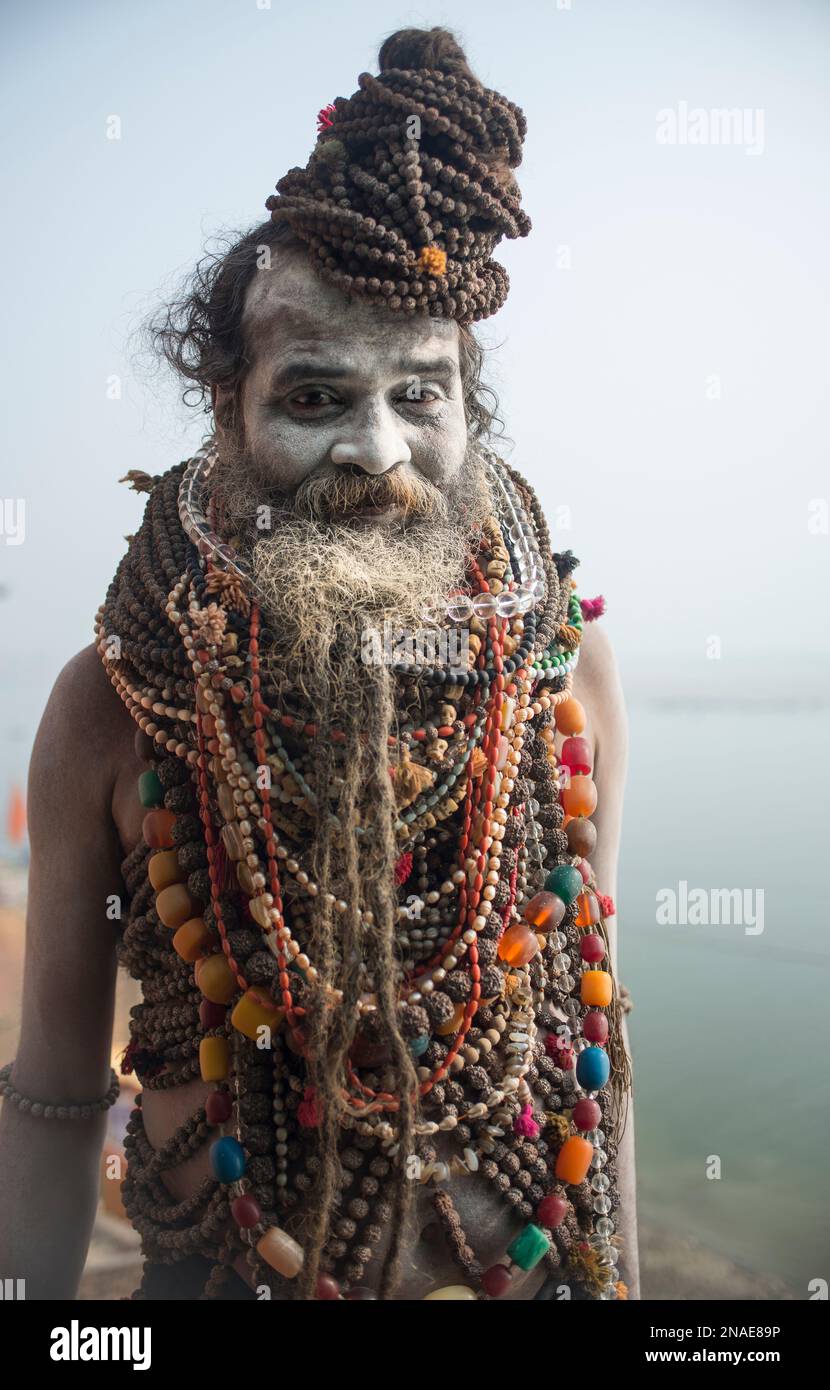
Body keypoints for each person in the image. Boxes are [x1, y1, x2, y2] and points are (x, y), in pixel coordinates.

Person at [0, 25, 638, 1301]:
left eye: (421, 394)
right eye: (313, 398)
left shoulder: (560, 672)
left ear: (471, 405)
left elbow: (595, 1036)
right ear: (228, 408)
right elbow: (58, 1097)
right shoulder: (115, 705)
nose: (377, 451)